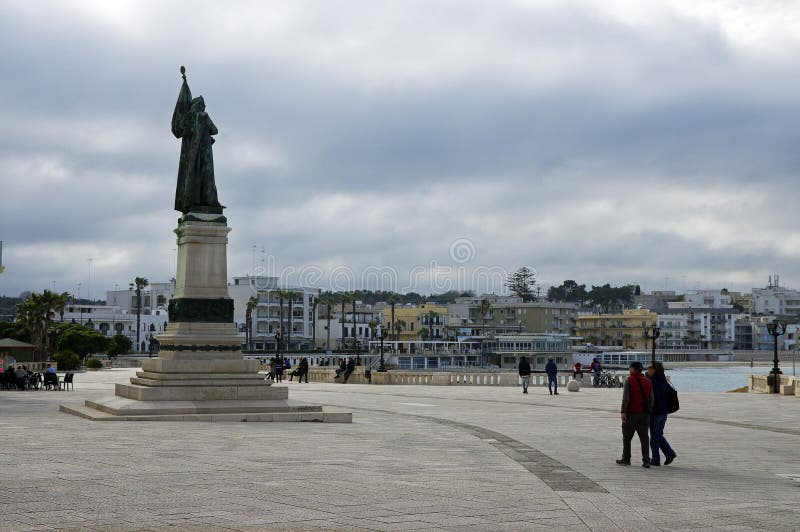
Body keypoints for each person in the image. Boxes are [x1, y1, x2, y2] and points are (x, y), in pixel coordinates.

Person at [617, 361, 653, 468]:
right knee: (644, 438)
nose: (629, 369)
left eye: (630, 368)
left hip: (632, 413)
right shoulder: (648, 381)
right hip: (645, 414)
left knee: (627, 437)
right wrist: (648, 410)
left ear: (633, 369)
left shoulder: (629, 380)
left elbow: (626, 398)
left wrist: (623, 411)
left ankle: (626, 459)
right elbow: (651, 399)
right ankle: (646, 461)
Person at [647, 362, 677, 466]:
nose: (648, 369)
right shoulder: (664, 381)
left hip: (655, 413)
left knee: (654, 437)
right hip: (664, 413)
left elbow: (651, 398)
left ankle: (656, 459)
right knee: (658, 435)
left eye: (650, 367)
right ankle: (669, 453)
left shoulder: (653, 382)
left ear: (655, 370)